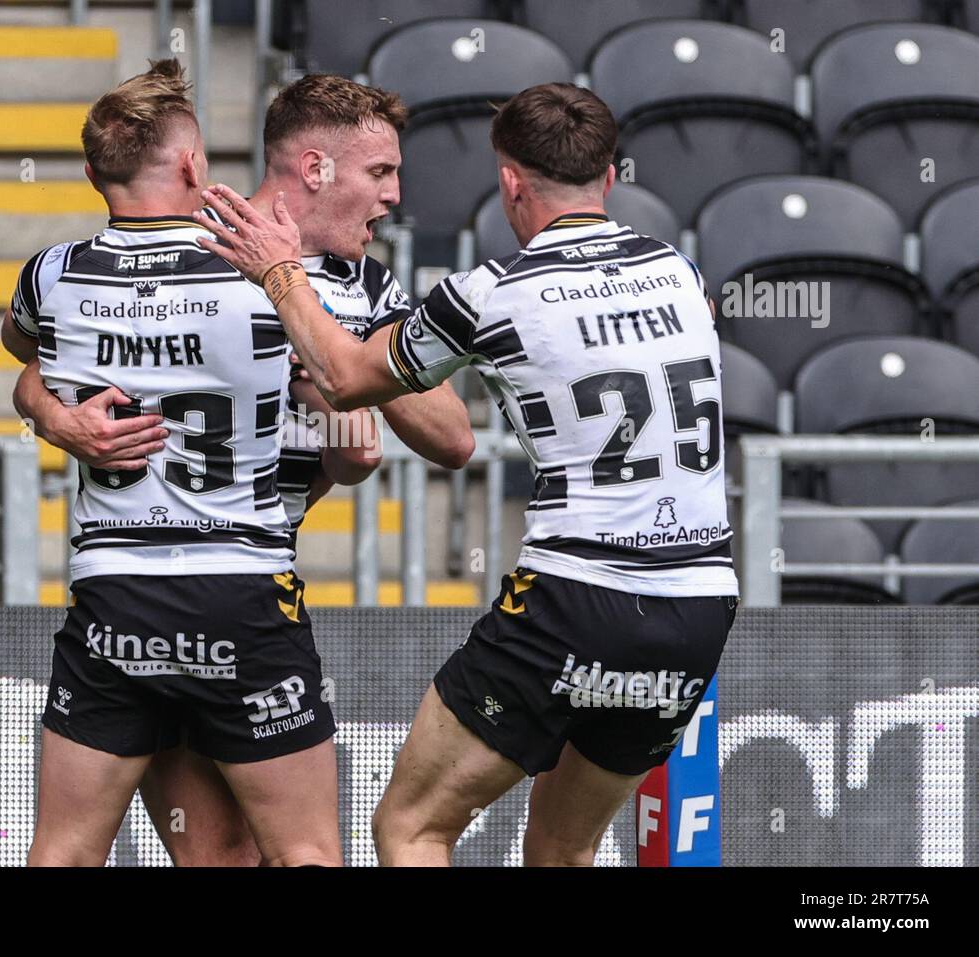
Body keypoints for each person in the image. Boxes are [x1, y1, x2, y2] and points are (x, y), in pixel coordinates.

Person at [194, 82, 739, 867]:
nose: (393, 194)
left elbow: (350, 382)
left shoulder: (491, 291)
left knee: (411, 827)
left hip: (576, 595)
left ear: (511, 183)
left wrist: (282, 276)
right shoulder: (681, 273)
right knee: (562, 849)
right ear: (611, 178)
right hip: (699, 602)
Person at [7, 73, 474, 865]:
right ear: (316, 168)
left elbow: (34, 360)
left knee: (208, 855)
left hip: (121, 592)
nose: (395, 196)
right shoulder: (300, 280)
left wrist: (340, 393)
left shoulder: (72, 269)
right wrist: (56, 416)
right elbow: (456, 439)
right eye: (381, 173)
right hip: (242, 592)